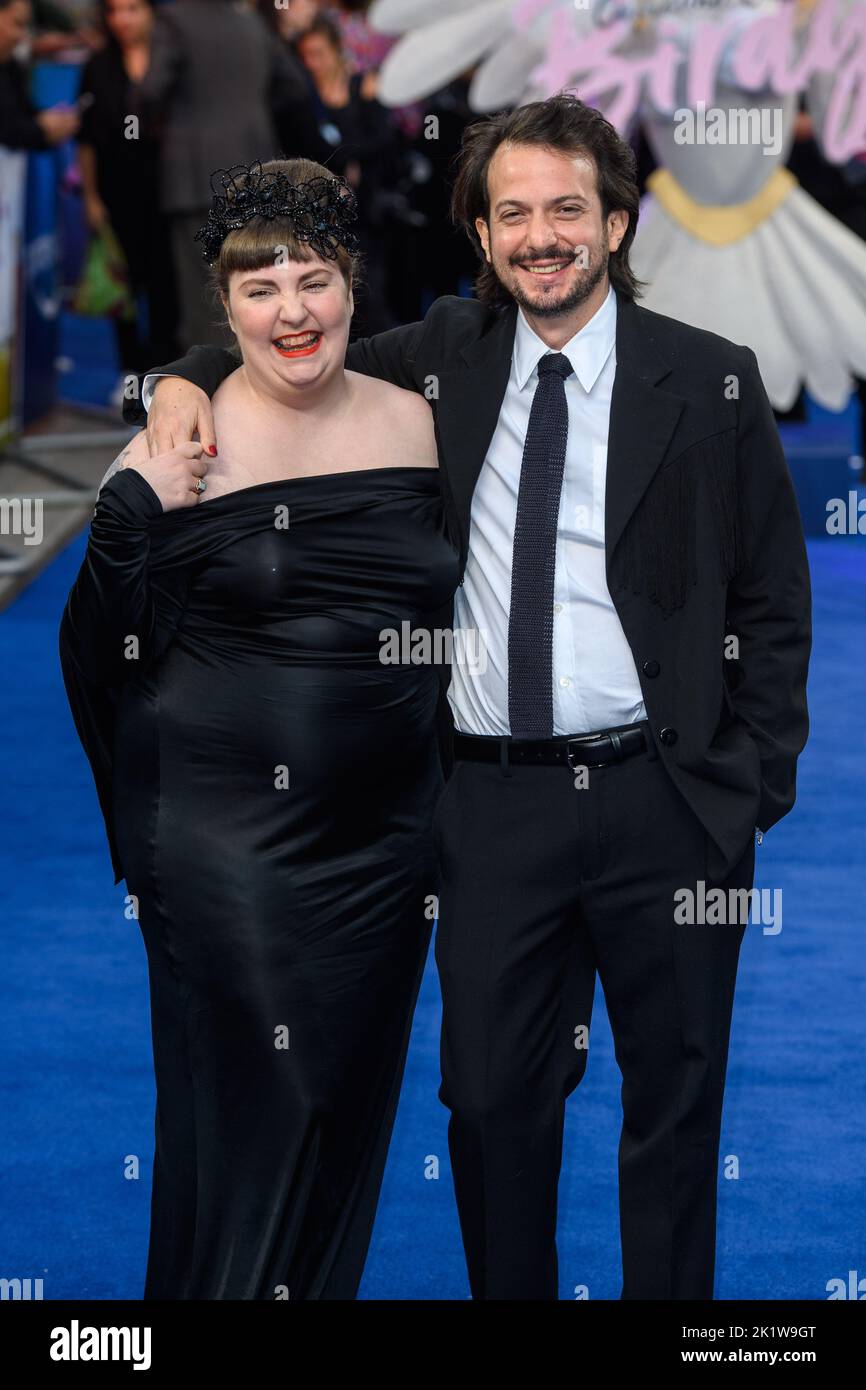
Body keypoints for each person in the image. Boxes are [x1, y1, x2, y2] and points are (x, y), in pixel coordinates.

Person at [121, 93, 812, 1301]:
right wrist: (175, 381)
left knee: (674, 1103)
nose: (540, 235)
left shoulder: (711, 382)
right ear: (480, 236)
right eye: (511, 214)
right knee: (490, 1107)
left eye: (564, 209)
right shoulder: (440, 359)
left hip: (670, 802)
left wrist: (747, 786)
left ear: (616, 221)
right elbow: (286, 342)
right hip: (492, 807)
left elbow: (772, 603)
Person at [59, 157, 459, 1300]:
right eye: (258, 289)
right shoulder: (184, 441)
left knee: (341, 1094)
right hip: (222, 834)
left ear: (353, 285)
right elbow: (96, 643)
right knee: (262, 1093)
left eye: (313, 280)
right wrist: (127, 515)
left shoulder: (424, 420)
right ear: (222, 306)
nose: (291, 312)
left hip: (387, 837)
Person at [76, 0, 180, 377]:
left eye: (133, 9)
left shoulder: (171, 59)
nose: (123, 19)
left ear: (152, 12)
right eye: (115, 10)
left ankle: (170, 375)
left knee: (168, 288)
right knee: (124, 293)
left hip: (168, 194)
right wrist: (90, 197)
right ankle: (131, 381)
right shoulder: (98, 66)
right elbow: (86, 140)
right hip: (116, 194)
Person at [0, 0, 78, 150]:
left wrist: (46, 124)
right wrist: (41, 129)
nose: (21, 36)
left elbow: (21, 113)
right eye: (17, 24)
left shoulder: (11, 66)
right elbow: (8, 128)